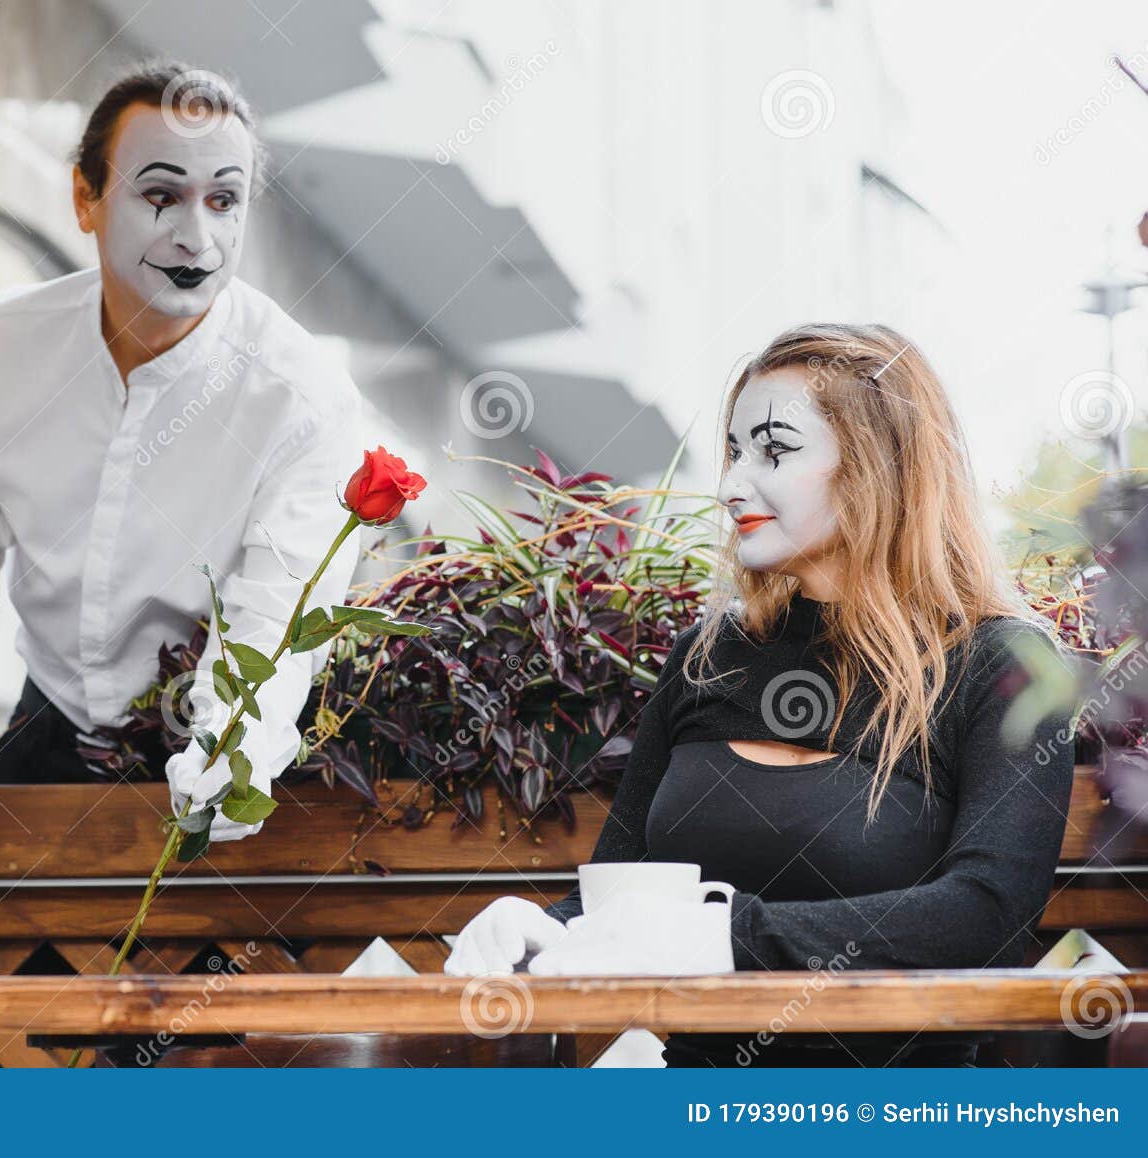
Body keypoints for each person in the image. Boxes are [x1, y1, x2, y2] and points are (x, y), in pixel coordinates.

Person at [445, 323, 1078, 1067]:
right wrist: (538, 924)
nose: (731, 486)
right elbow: (620, 894)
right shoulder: (707, 658)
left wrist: (729, 936)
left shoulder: (997, 664)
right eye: (737, 451)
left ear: (878, 468)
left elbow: (990, 916)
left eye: (775, 451)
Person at [0, 62, 364, 840]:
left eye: (225, 201)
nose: (198, 237)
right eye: (161, 195)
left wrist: (233, 755)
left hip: (214, 739)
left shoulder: (304, 391)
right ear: (85, 198)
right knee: (21, 964)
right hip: (43, 732)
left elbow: (275, 620)